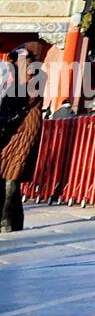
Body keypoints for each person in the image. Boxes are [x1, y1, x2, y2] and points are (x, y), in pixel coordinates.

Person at [0, 46, 45, 233]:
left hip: (24, 126)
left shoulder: (34, 77)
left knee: (12, 174)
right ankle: (8, 220)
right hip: (14, 125)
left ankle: (8, 221)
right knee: (7, 173)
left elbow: (24, 99)